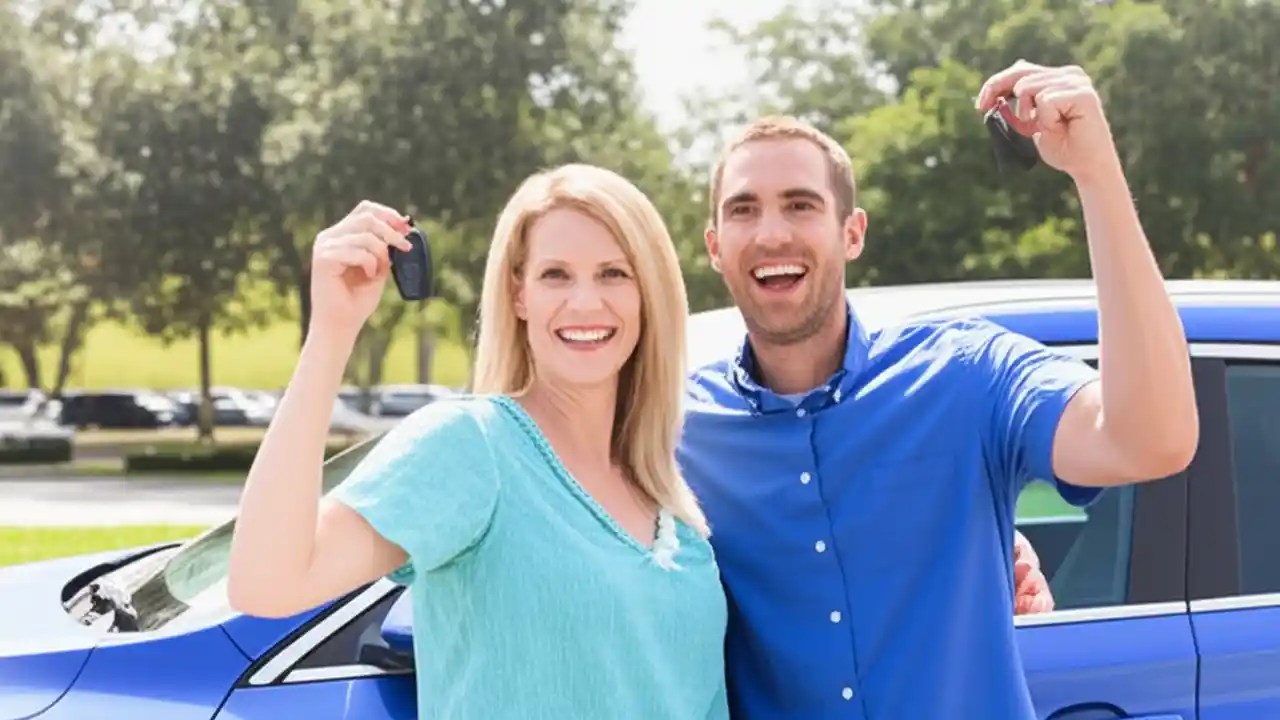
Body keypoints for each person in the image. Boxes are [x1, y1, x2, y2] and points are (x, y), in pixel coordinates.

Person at [677, 61, 1199, 718]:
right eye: (744, 210)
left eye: (801, 205)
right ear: (716, 246)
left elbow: (1149, 440)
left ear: (853, 232)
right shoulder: (673, 435)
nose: (772, 233)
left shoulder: (967, 375)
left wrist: (1096, 174)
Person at [226, 164, 730, 719]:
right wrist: (332, 331)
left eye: (614, 273)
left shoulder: (672, 506)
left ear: (648, 294)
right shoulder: (473, 449)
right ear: (519, 295)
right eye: (556, 275)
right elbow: (265, 582)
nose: (585, 302)